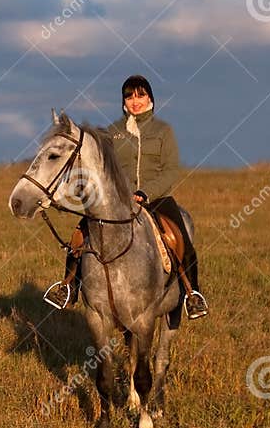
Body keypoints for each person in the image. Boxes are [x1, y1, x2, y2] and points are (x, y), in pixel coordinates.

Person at [48, 74, 209, 319]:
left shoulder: (163, 131)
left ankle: (192, 293)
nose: (135, 101)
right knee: (79, 236)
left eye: (140, 95)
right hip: (118, 201)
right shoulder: (112, 132)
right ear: (123, 101)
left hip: (157, 198)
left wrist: (146, 193)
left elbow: (170, 171)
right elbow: (100, 165)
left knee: (182, 240)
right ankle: (69, 287)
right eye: (129, 96)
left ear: (150, 99)